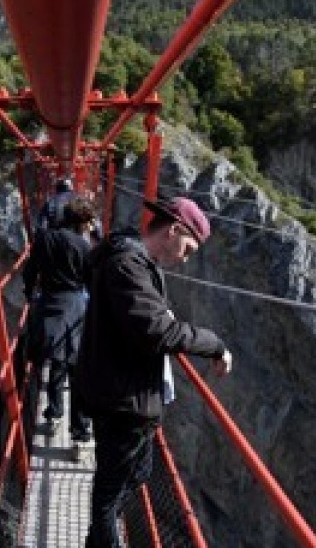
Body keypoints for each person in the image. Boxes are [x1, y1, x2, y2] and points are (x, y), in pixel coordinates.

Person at [76, 196, 233, 548]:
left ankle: (100, 537)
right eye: (188, 248)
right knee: (107, 497)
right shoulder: (128, 265)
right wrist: (215, 344)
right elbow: (158, 331)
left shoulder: (130, 259)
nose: (186, 258)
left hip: (119, 391)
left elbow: (145, 320)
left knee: (137, 474)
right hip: (122, 401)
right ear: (174, 229)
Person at [23, 197, 97, 454]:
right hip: (76, 307)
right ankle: (80, 434)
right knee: (78, 370)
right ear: (82, 221)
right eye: (90, 222)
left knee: (56, 361)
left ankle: (53, 414)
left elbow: (30, 271)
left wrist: (29, 293)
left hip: (50, 303)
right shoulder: (84, 247)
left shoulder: (44, 238)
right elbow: (92, 282)